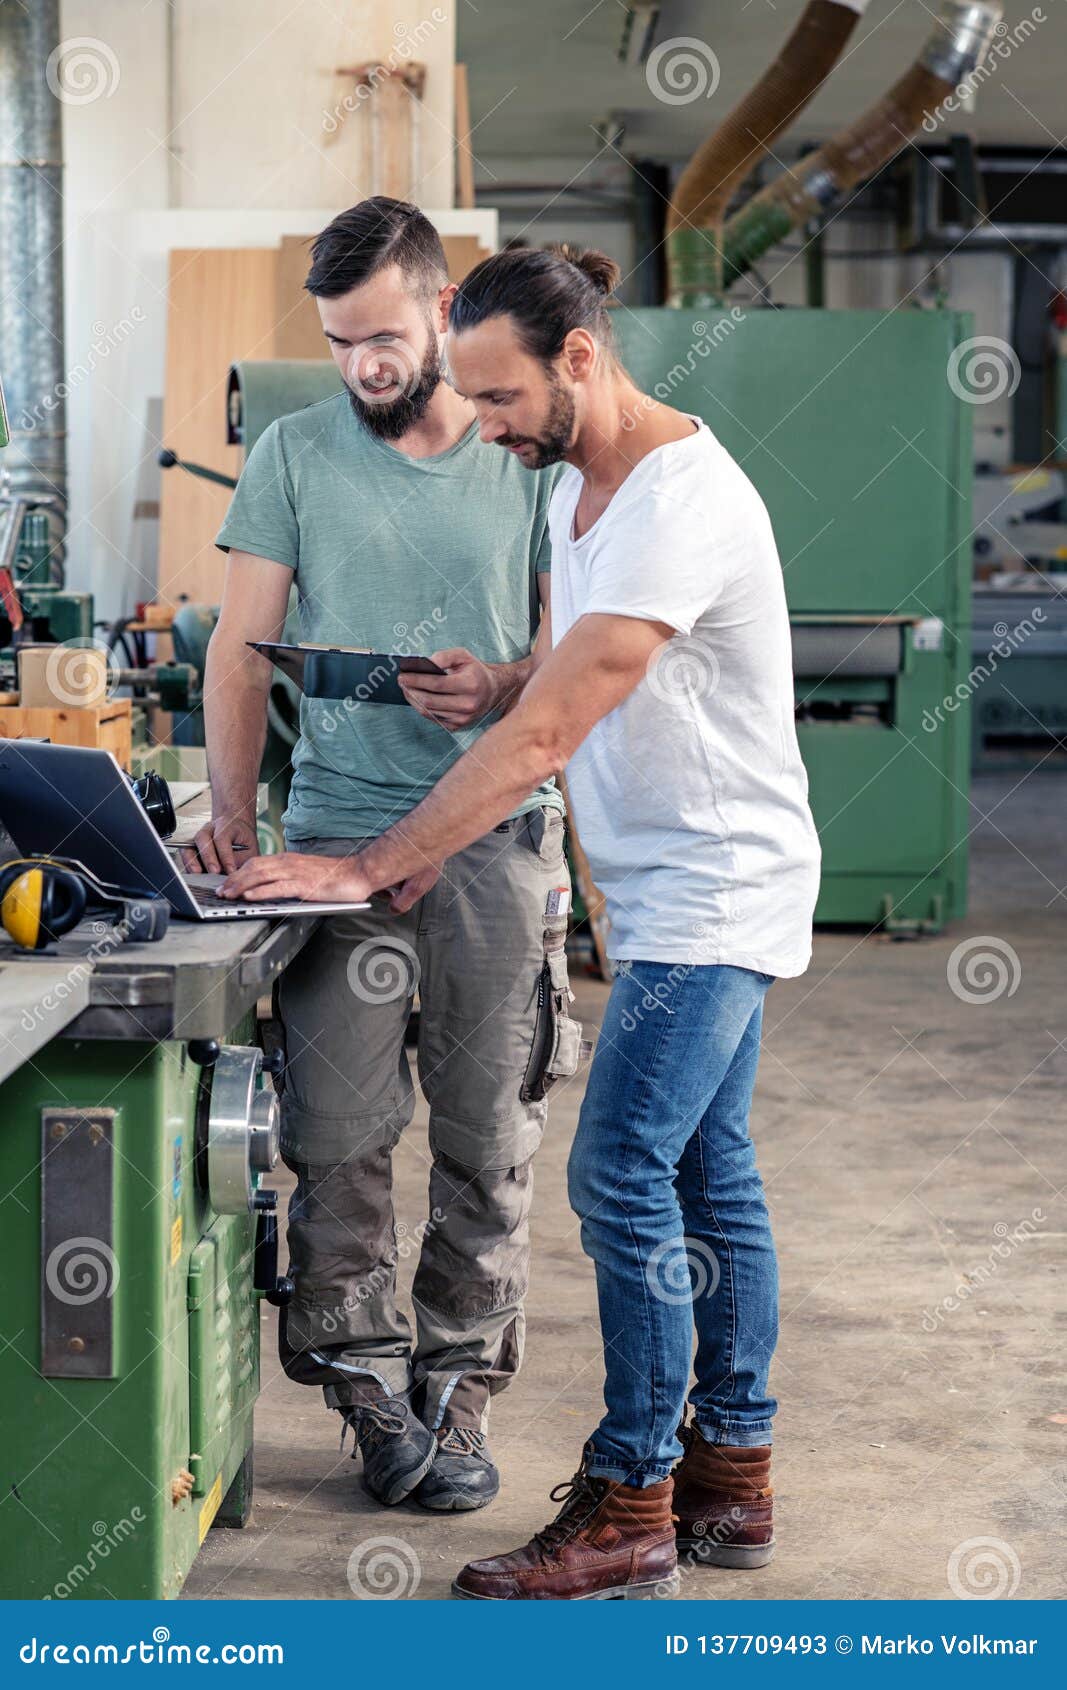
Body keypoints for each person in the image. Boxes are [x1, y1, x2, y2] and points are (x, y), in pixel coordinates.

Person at [221, 242, 821, 1600]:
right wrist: (491, 681)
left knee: (616, 1171)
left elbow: (559, 730)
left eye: (499, 401)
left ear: (580, 360)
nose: (481, 427)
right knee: (706, 1170)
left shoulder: (682, 498)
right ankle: (733, 1476)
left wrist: (373, 858)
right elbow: (548, 683)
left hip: (713, 892)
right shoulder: (578, 487)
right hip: (671, 884)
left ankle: (630, 1497)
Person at [187, 200, 580, 1516]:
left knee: (486, 1135)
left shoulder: (525, 455)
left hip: (493, 841)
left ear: (441, 308)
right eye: (340, 341)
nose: (362, 363)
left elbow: (570, 660)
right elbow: (239, 647)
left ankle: (459, 1383)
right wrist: (233, 807)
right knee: (338, 1132)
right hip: (335, 845)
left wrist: (505, 685)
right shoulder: (295, 453)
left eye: (382, 336)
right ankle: (364, 1383)